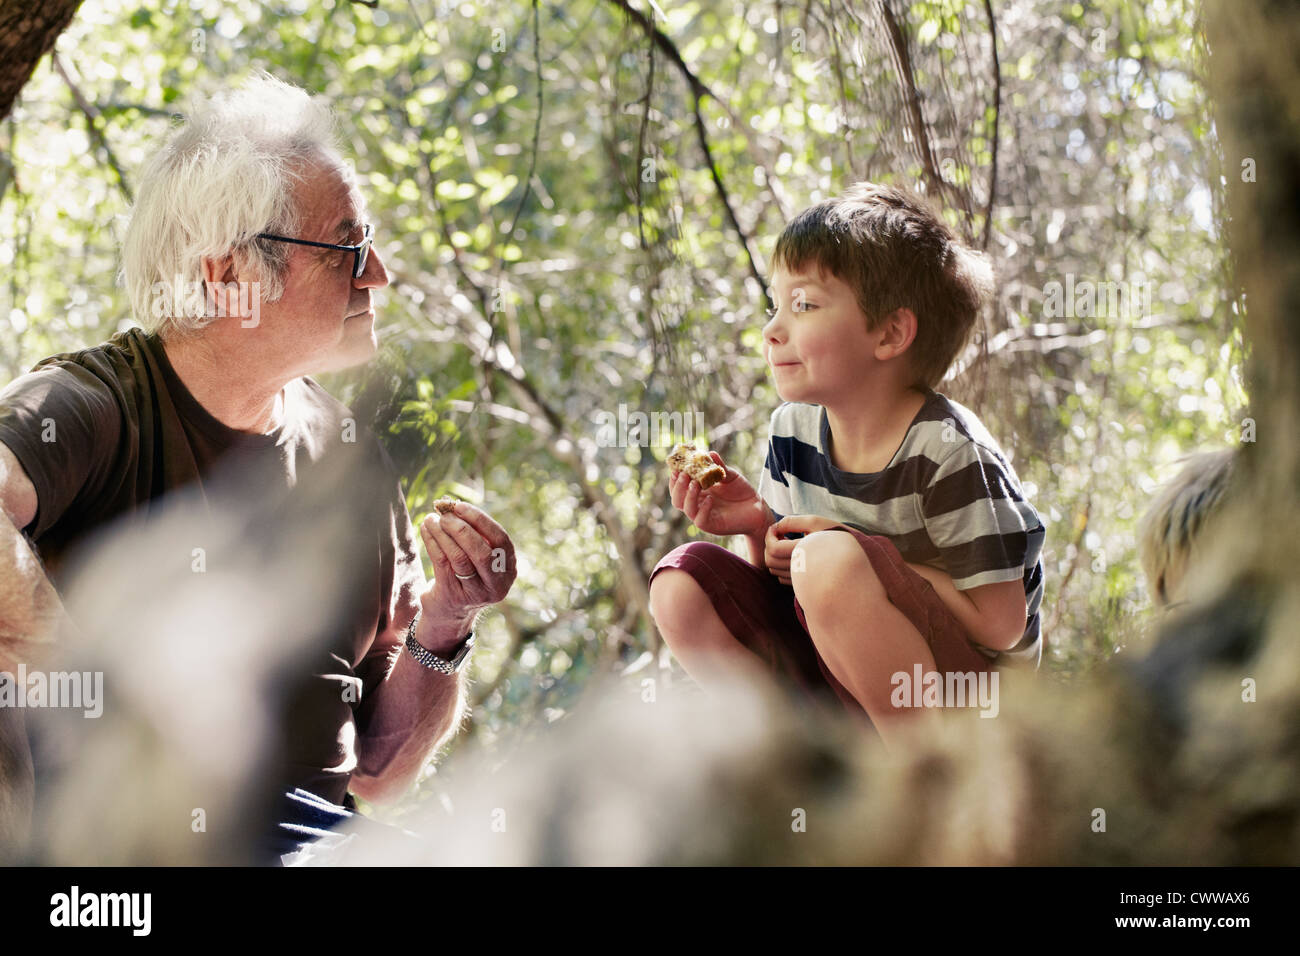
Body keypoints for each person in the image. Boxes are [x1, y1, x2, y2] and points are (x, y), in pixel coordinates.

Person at [0, 74, 517, 862]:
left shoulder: (349, 462)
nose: (377, 274)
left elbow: (378, 770)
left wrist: (446, 624)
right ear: (229, 275)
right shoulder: (90, 403)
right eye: (348, 244)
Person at [649, 182, 1045, 747]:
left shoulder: (949, 453)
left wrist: (856, 548)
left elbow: (1001, 626)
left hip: (967, 703)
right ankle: (808, 762)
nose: (772, 330)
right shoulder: (794, 429)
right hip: (850, 677)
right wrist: (758, 526)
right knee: (680, 585)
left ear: (889, 334)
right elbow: (787, 582)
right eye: (775, 305)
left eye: (804, 305)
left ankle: (921, 783)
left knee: (830, 560)